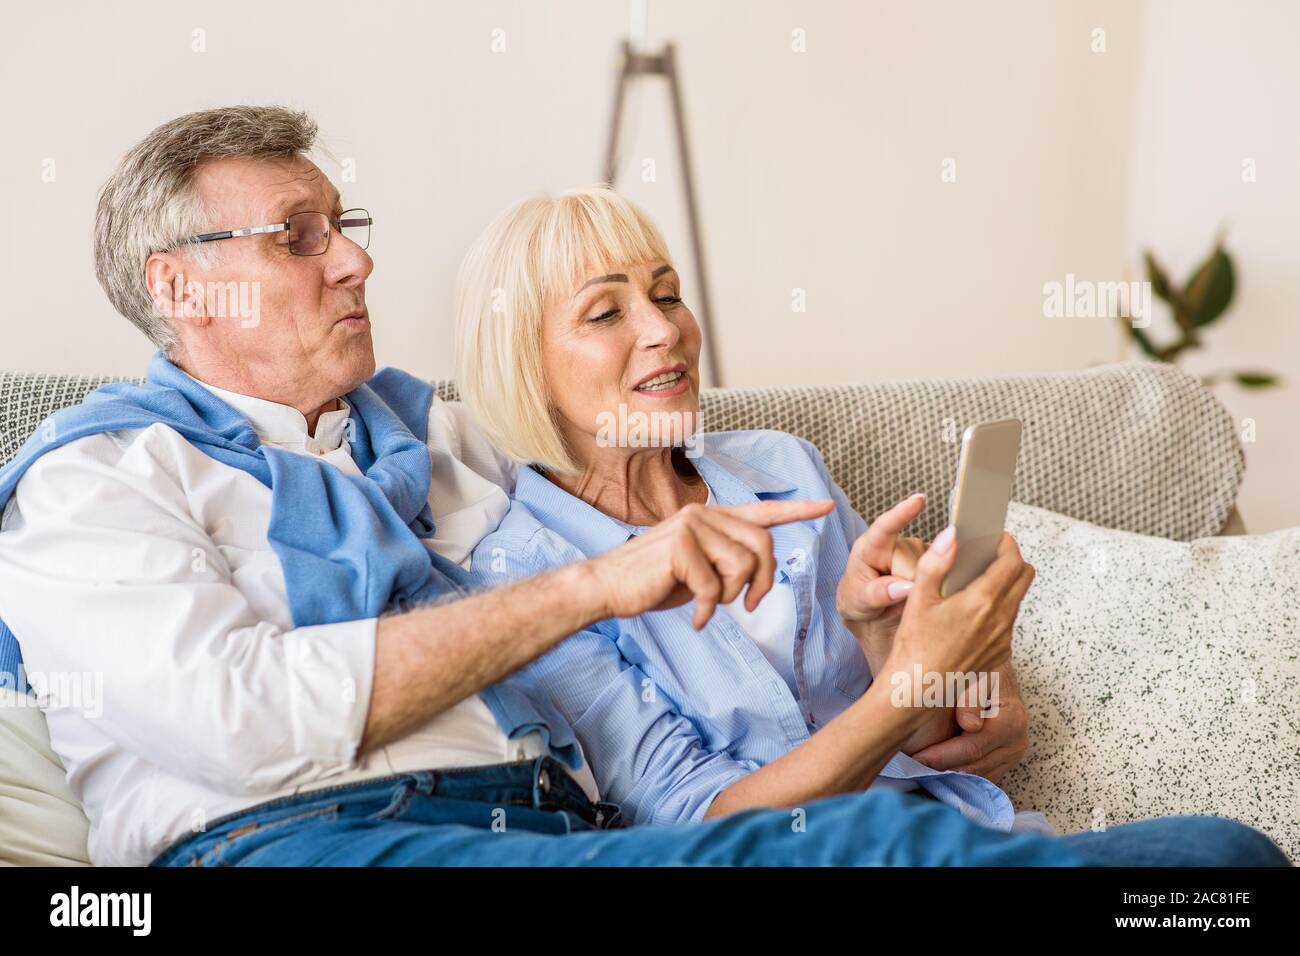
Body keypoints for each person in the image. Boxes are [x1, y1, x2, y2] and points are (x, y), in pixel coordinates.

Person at [0, 108, 1283, 867]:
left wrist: (911, 647)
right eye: (298, 237)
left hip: (548, 830)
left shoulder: (417, 451)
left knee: (1207, 859)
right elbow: (238, 720)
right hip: (326, 841)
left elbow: (924, 712)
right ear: (180, 286)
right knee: (900, 850)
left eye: (345, 225)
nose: (352, 263)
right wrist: (610, 578)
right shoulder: (101, 473)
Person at [455, 185, 1290, 865]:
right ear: (523, 362)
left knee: (1220, 865)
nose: (664, 327)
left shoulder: (778, 467)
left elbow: (927, 740)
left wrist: (911, 639)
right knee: (1219, 866)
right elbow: (699, 832)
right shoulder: (526, 579)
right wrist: (903, 689)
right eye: (607, 314)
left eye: (666, 293)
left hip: (954, 838)